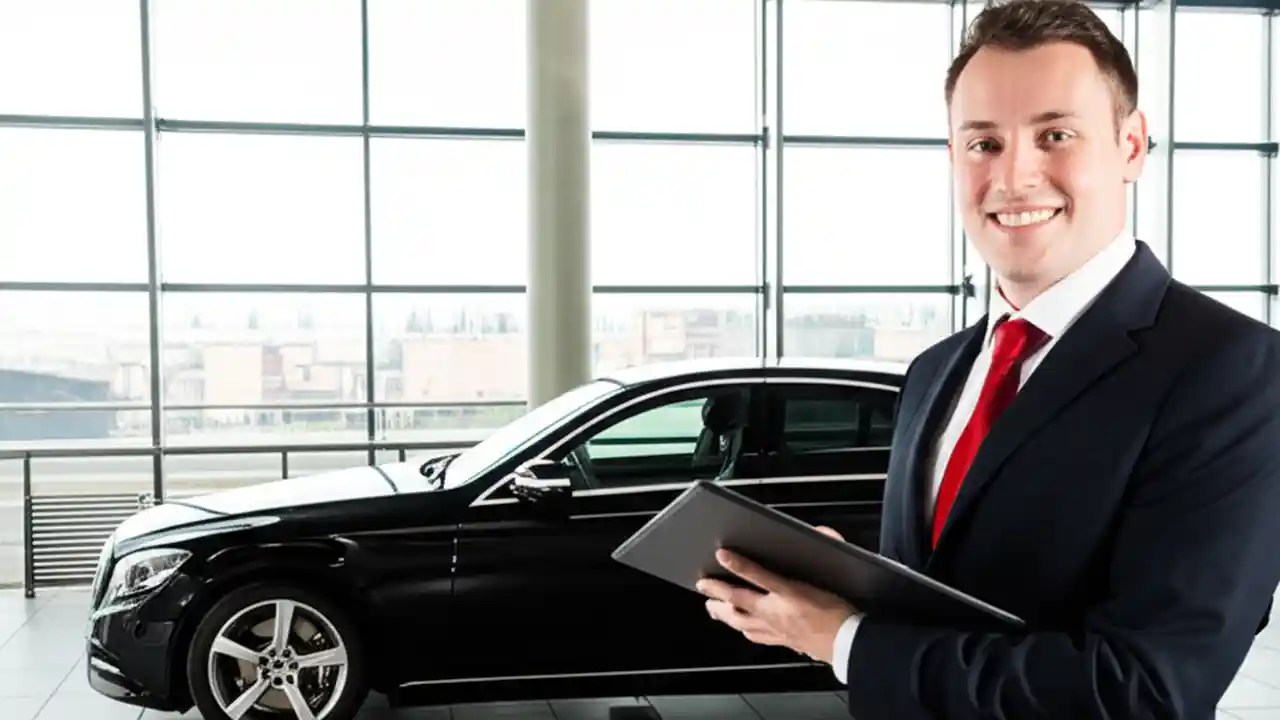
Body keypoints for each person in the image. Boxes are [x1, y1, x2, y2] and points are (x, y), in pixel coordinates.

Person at [695, 0, 1280, 717]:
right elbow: (950, 599)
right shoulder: (935, 371)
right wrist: (844, 590)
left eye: (1055, 135)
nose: (1013, 177)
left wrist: (843, 639)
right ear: (953, 157)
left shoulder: (1232, 371)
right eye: (984, 143)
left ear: (1131, 146)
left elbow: (1146, 690)